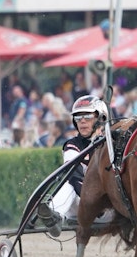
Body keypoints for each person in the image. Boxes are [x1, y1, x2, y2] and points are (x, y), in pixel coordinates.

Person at [35, 95, 109, 237]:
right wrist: (93, 202)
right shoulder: (72, 145)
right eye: (77, 118)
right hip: (84, 206)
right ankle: (54, 216)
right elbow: (75, 175)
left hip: (111, 208)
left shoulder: (112, 143)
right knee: (68, 181)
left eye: (87, 116)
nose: (82, 121)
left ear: (100, 118)